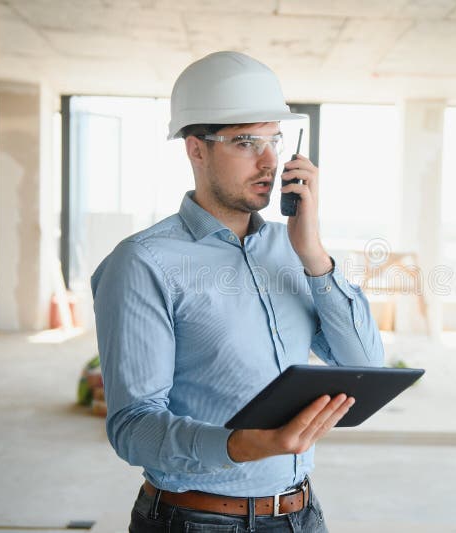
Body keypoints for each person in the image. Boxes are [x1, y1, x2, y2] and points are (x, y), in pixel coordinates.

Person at [91, 51, 384, 532]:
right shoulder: (144, 262)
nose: (270, 161)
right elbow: (132, 427)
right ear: (196, 149)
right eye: (247, 141)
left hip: (301, 514)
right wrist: (244, 445)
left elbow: (367, 366)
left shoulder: (292, 246)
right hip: (194, 521)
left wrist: (312, 255)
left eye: (275, 140)